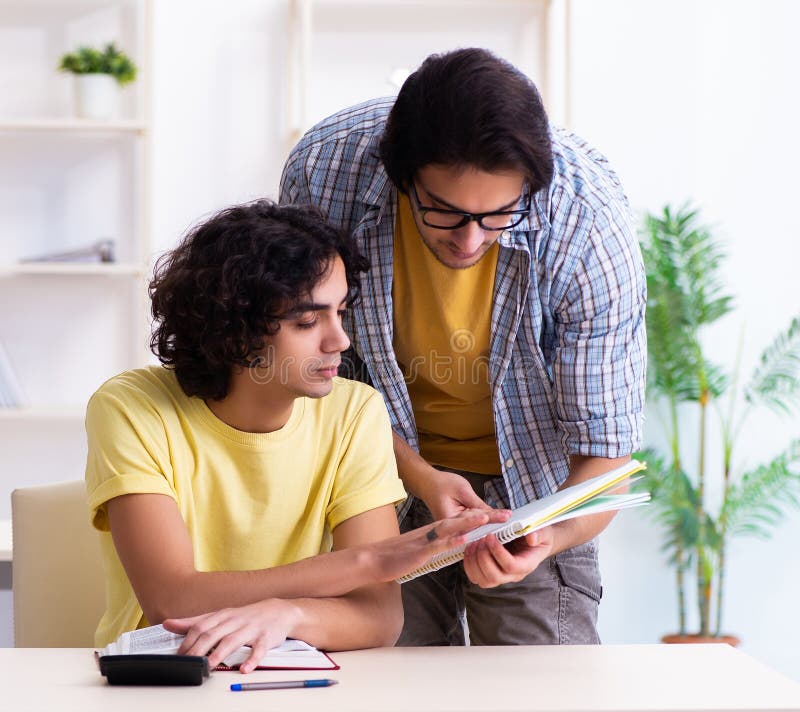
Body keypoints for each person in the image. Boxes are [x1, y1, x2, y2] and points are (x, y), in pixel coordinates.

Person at [279, 48, 646, 646]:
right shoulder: (326, 173)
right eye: (445, 213)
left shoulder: (587, 223)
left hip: (537, 493)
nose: (470, 240)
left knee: (542, 691)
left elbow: (606, 459)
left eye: (498, 214)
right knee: (386, 683)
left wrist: (544, 538)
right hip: (377, 472)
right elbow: (318, 374)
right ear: (402, 177)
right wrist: (424, 478)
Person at [84, 200, 507, 671]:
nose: (339, 340)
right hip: (164, 678)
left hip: (289, 675)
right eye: (308, 321)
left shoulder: (354, 412)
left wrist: (289, 613)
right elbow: (173, 599)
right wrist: (371, 562)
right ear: (234, 328)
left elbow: (379, 618)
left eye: (340, 312)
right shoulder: (131, 407)